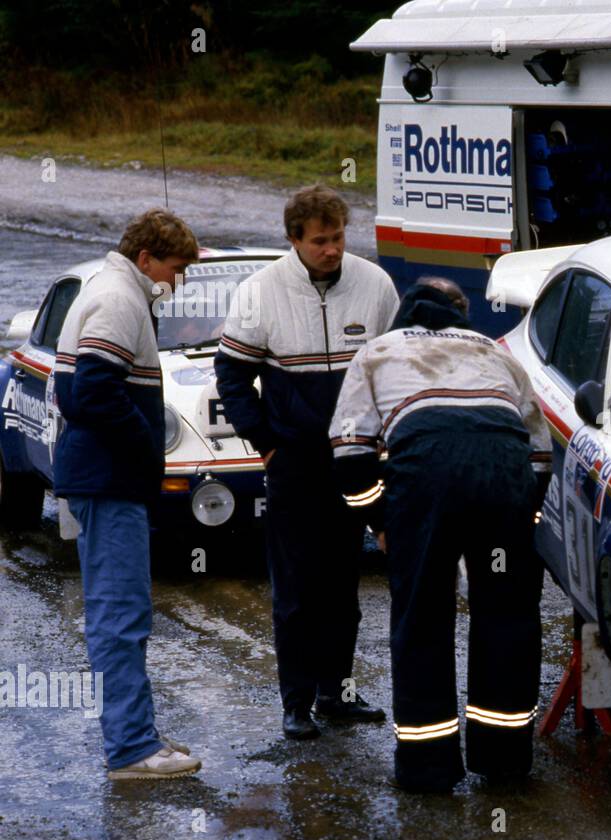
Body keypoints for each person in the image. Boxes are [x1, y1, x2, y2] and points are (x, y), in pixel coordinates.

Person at [328, 278, 552, 792]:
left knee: (422, 618)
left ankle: (428, 769)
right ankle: (505, 762)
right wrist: (523, 518)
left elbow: (348, 448)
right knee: (507, 617)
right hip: (503, 473)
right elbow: (539, 450)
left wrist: (382, 522)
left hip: (426, 477)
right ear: (461, 316)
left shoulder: (377, 351)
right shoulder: (493, 352)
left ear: (405, 314)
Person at [214, 185, 400, 740]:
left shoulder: (376, 286)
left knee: (345, 587)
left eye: (339, 237)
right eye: (319, 241)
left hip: (355, 459)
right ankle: (296, 703)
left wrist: (383, 442)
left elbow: (397, 366)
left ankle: (336, 695)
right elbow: (231, 377)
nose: (332, 250)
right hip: (293, 464)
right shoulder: (258, 293)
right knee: (296, 590)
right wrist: (266, 444)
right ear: (293, 239)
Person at [53, 208, 202, 779]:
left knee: (123, 613)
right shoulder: (118, 298)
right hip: (110, 480)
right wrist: (146, 447)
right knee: (121, 616)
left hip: (107, 479)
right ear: (145, 259)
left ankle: (135, 735)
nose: (177, 281)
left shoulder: (115, 289)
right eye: (174, 268)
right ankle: (132, 749)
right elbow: (90, 393)